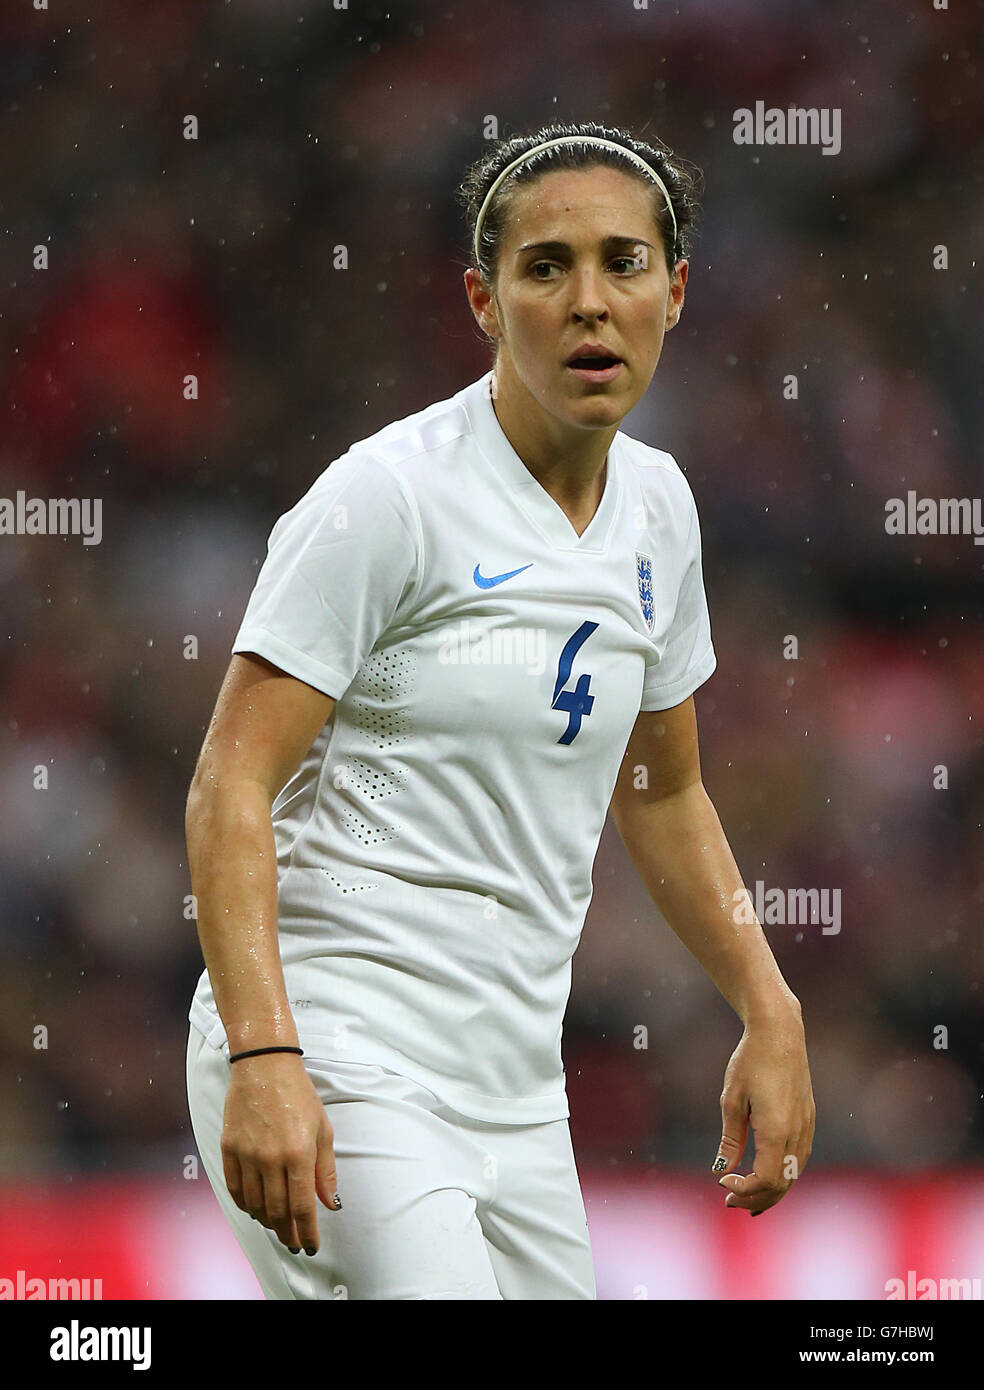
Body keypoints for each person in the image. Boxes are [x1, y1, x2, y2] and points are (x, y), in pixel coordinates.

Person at [184, 120, 815, 1301]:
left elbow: (662, 788)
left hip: (517, 1090)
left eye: (624, 263)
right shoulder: (388, 497)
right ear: (482, 300)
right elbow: (231, 780)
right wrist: (268, 1052)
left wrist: (767, 1004)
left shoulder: (661, 512)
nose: (590, 301)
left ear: (675, 293)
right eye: (545, 267)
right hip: (338, 1039)